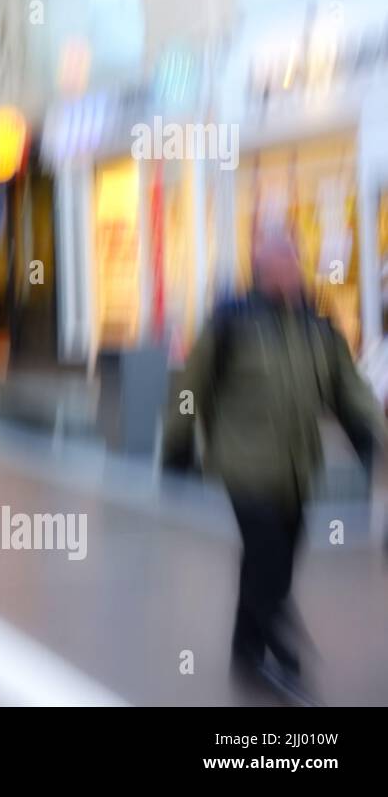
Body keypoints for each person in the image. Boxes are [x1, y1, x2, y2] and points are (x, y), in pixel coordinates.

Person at [164, 232, 383, 705]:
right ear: (260, 271)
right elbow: (190, 385)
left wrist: (368, 435)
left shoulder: (318, 324)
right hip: (243, 465)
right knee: (267, 559)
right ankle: (283, 660)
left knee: (277, 565)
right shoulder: (231, 321)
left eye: (295, 264)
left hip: (298, 468)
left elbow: (347, 386)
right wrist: (177, 445)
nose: (291, 274)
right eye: (281, 266)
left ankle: (244, 649)